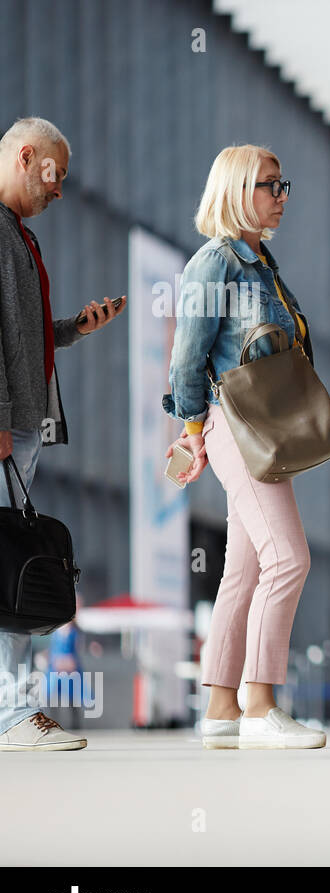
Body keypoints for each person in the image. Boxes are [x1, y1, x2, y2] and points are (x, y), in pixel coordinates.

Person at [163, 144, 325, 750]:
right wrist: (193, 429)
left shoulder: (261, 263)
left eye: (285, 186)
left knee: (245, 569)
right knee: (289, 558)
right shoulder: (215, 263)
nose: (280, 198)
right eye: (268, 186)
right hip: (235, 423)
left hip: (264, 425)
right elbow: (188, 356)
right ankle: (261, 706)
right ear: (235, 190)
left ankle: (221, 712)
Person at [0, 117, 122, 753]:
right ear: (26, 156)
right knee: (6, 568)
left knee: (9, 567)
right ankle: (12, 714)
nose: (59, 190)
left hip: (22, 422)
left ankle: (14, 712)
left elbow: (20, 331)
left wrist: (74, 327)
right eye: (54, 174)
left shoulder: (17, 235)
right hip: (6, 423)